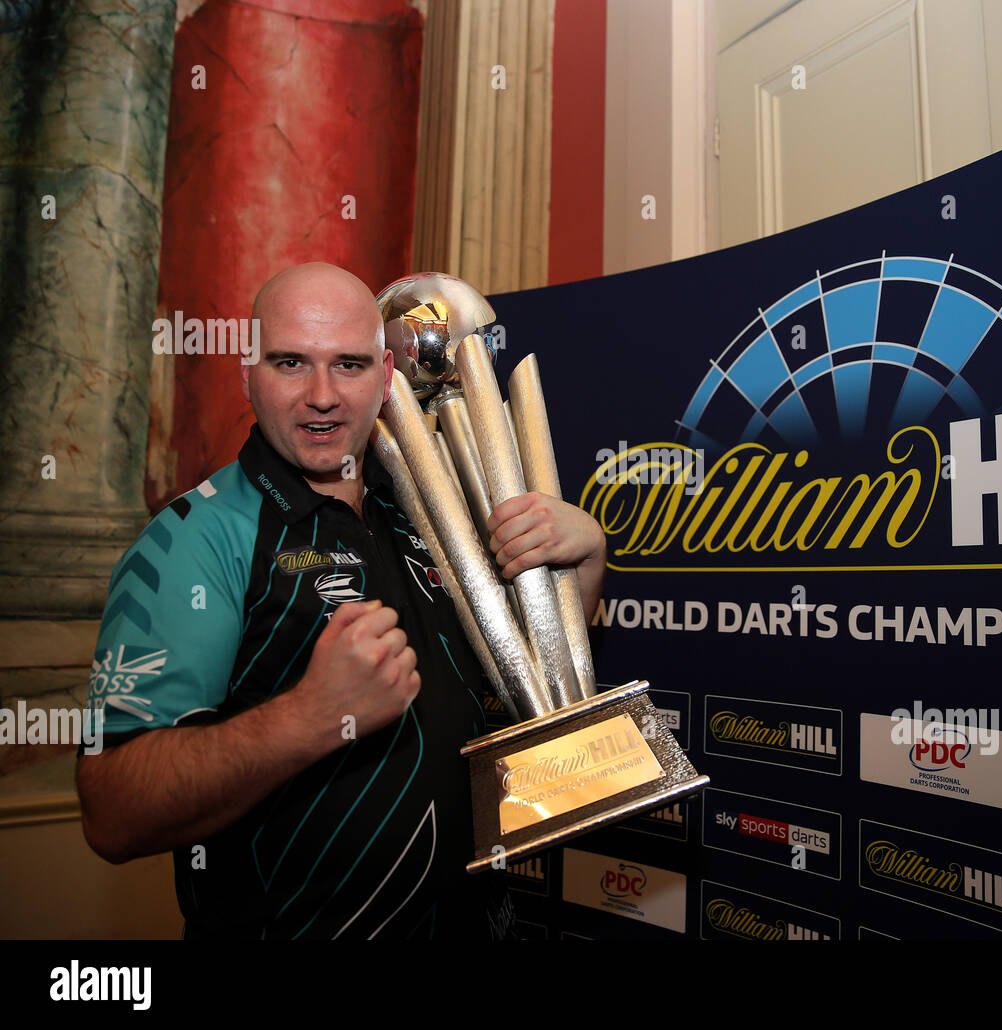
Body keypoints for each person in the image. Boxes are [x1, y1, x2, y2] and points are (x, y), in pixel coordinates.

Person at [76, 262, 606, 939]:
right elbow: (114, 810)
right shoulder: (195, 539)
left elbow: (522, 681)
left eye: (350, 365)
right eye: (291, 362)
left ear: (387, 380)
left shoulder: (426, 514)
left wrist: (582, 561)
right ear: (248, 374)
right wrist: (306, 717)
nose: (321, 396)